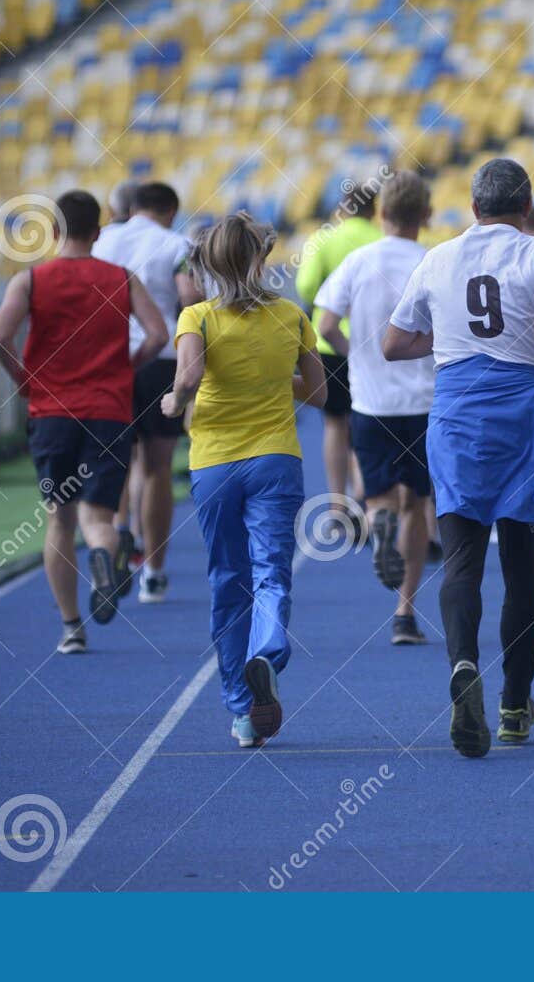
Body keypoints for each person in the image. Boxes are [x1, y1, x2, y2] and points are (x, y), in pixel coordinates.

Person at [385, 158, 534, 758]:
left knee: (461, 562)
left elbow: (393, 343)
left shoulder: (437, 257)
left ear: (473, 207)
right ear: (525, 208)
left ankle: (463, 663)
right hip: (524, 414)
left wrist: (450, 340)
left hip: (457, 419)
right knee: (523, 569)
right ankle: (513, 706)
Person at [161, 214, 327, 748]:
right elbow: (319, 394)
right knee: (272, 572)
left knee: (226, 580)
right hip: (276, 458)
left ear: (206, 266)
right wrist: (276, 378)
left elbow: (188, 375)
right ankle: (268, 651)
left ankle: (240, 710)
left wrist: (173, 400)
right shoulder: (292, 316)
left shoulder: (197, 316)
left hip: (214, 462)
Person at [0, 190, 168, 655]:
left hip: (52, 414)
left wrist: (24, 379)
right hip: (107, 411)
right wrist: (127, 367)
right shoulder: (121, 279)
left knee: (59, 522)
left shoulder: (30, 280)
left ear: (52, 231)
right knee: (99, 518)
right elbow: (158, 335)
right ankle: (106, 557)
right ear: (99, 232)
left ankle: (71, 627)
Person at [315, 173, 435, 646]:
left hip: (370, 401)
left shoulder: (357, 260)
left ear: (382, 214)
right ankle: (405, 613)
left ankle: (375, 520)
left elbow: (325, 323)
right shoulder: (433, 261)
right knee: (417, 505)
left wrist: (357, 357)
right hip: (424, 403)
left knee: (382, 497)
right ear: (426, 216)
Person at [93, 180, 201, 603]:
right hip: (159, 359)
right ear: (170, 211)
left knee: (114, 458)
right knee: (156, 467)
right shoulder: (177, 243)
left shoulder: (102, 242)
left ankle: (118, 534)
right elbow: (190, 298)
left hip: (111, 359)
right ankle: (153, 573)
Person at [295, 180, 381, 531]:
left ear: (341, 210)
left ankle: (337, 505)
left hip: (330, 343)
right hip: (375, 343)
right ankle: (368, 492)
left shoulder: (324, 239)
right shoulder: (381, 240)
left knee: (334, 424)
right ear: (375, 211)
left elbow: (305, 287)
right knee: (370, 420)